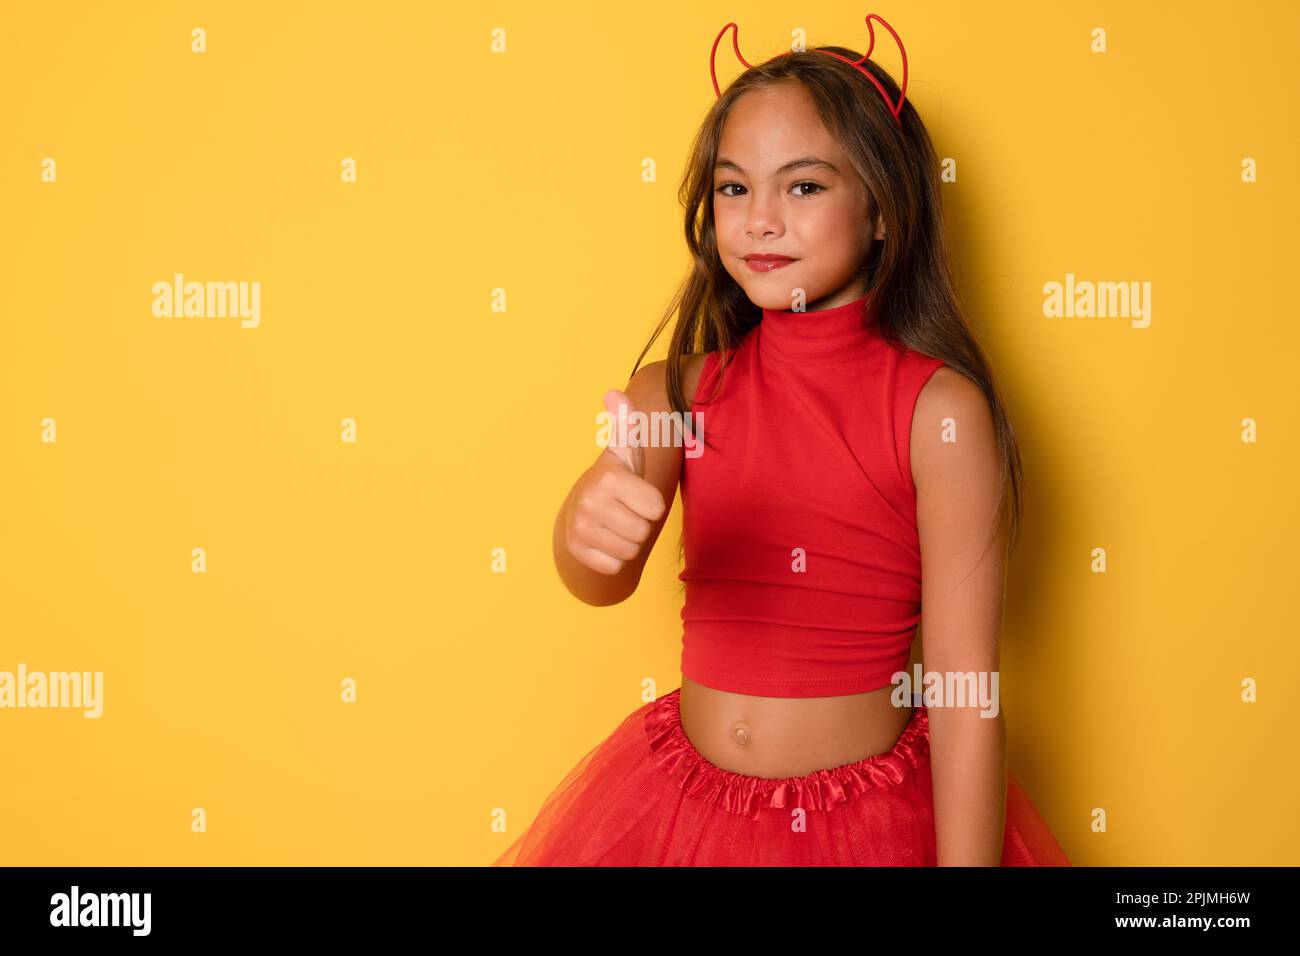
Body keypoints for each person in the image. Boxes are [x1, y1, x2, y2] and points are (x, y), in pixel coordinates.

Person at [493, 14, 1070, 866]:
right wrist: (586, 528)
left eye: (802, 188)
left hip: (864, 826)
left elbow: (964, 688)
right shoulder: (674, 391)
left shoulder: (939, 413)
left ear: (883, 210)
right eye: (734, 189)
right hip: (680, 817)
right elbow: (597, 582)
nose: (760, 220)